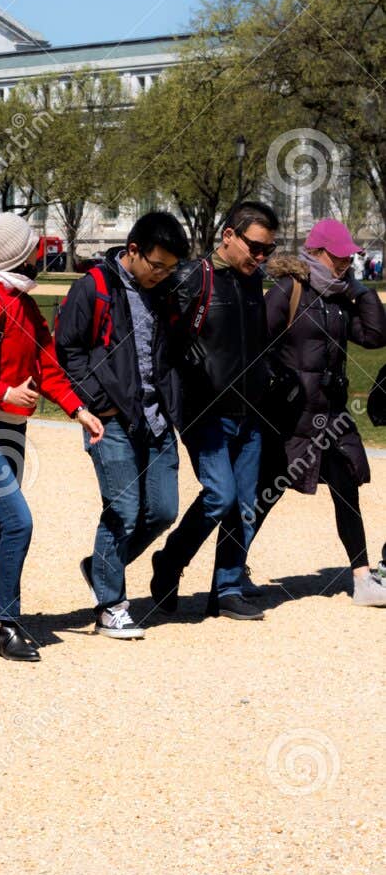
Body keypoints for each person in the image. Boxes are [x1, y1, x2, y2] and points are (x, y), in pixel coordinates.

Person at [0, 211, 104, 662]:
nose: (40, 253)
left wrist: (78, 409)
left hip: (11, 431)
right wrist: (5, 390)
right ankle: (5, 624)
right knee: (17, 521)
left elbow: (48, 368)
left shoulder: (24, 304)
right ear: (17, 254)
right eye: (34, 247)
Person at [55, 210, 190, 637]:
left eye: (171, 268)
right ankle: (111, 605)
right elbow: (68, 351)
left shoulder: (165, 292)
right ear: (133, 250)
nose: (163, 274)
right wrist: (96, 403)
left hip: (155, 419)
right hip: (109, 420)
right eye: (157, 265)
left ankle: (100, 568)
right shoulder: (91, 288)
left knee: (164, 510)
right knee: (124, 512)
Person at [150, 199, 280, 620]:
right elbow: (160, 345)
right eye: (255, 247)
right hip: (206, 411)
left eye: (268, 251)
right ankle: (170, 561)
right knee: (221, 497)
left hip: (251, 412)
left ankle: (226, 588)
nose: (260, 257)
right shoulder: (190, 277)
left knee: (244, 505)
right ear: (228, 235)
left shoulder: (251, 282)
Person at [254, 219, 386, 607]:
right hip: (291, 417)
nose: (346, 262)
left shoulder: (341, 297)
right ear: (316, 252)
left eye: (349, 258)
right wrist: (281, 384)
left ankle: (362, 579)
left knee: (347, 489)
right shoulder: (288, 289)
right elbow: (257, 345)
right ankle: (229, 573)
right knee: (265, 494)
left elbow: (375, 337)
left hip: (332, 414)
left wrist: (360, 291)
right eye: (339, 256)